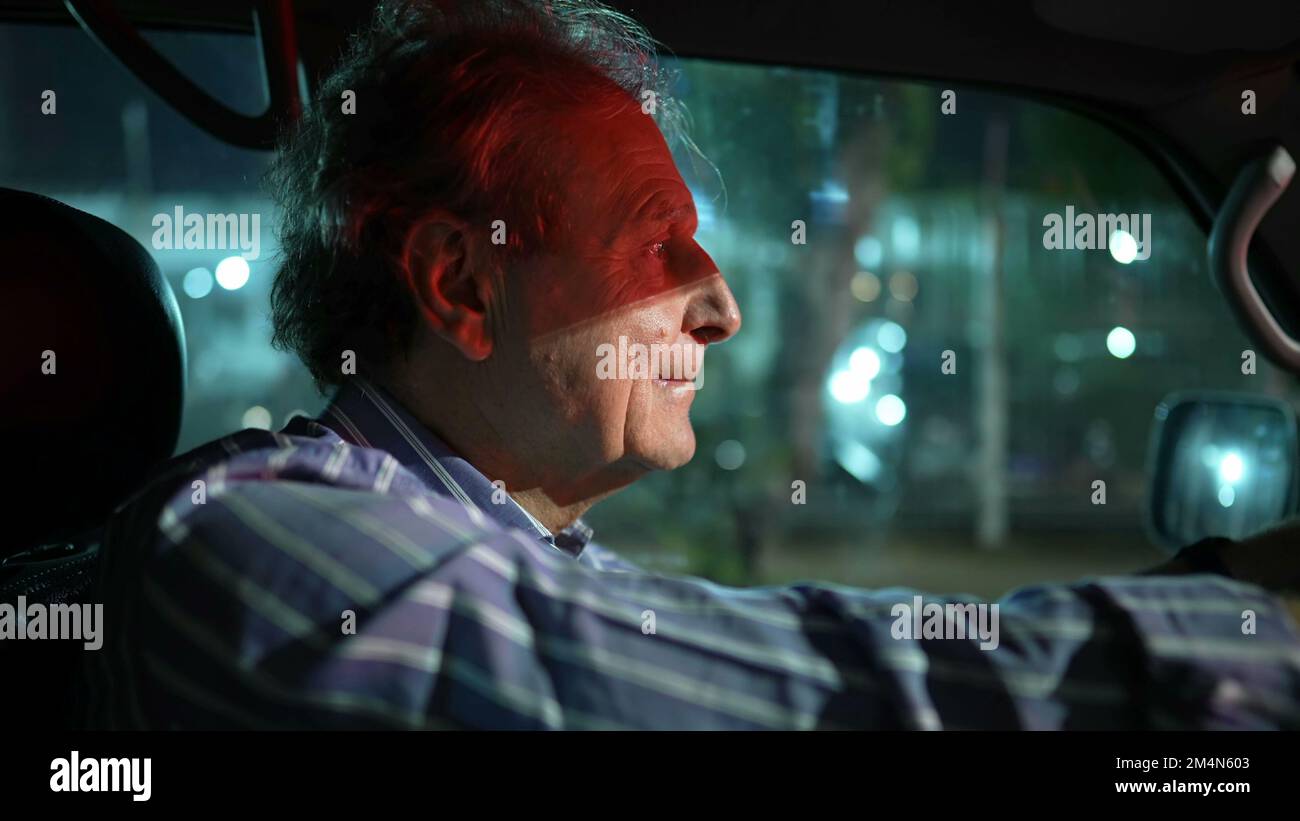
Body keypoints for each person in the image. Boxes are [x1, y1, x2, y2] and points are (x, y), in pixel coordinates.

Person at [79, 0, 1300, 730]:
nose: (716, 304)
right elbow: (733, 695)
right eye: (653, 246)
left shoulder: (541, 564)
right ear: (461, 283)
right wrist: (1251, 614)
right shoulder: (240, 534)